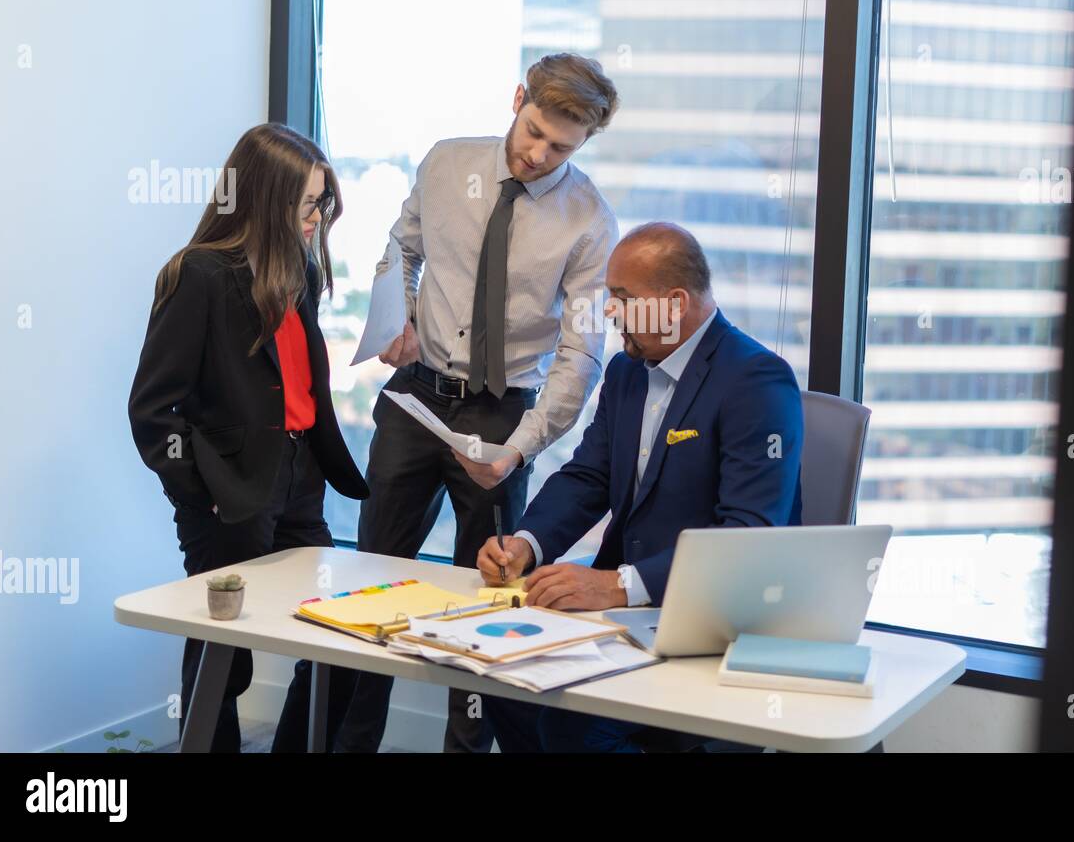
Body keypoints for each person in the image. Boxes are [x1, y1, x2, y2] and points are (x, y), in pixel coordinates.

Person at [334, 53, 620, 753]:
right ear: (518, 98)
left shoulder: (589, 221)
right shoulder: (444, 164)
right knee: (372, 585)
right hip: (417, 396)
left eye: (560, 148)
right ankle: (343, 745)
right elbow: (399, 250)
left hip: (503, 415)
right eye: (533, 132)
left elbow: (582, 356)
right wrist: (395, 314)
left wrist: (523, 446)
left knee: (488, 610)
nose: (537, 154)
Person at [476, 221, 804, 752]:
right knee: (499, 679)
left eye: (622, 298)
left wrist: (618, 585)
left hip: (712, 624)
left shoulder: (756, 380)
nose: (609, 311)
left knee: (569, 724)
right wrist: (526, 544)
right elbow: (589, 476)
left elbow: (750, 537)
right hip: (626, 619)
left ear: (674, 303)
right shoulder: (627, 373)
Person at [128, 123, 370, 752]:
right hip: (228, 489)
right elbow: (152, 410)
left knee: (337, 637)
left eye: (322, 202)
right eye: (308, 202)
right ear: (265, 198)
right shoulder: (199, 275)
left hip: (300, 480)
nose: (318, 217)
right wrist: (200, 492)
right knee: (220, 658)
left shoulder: (301, 276)